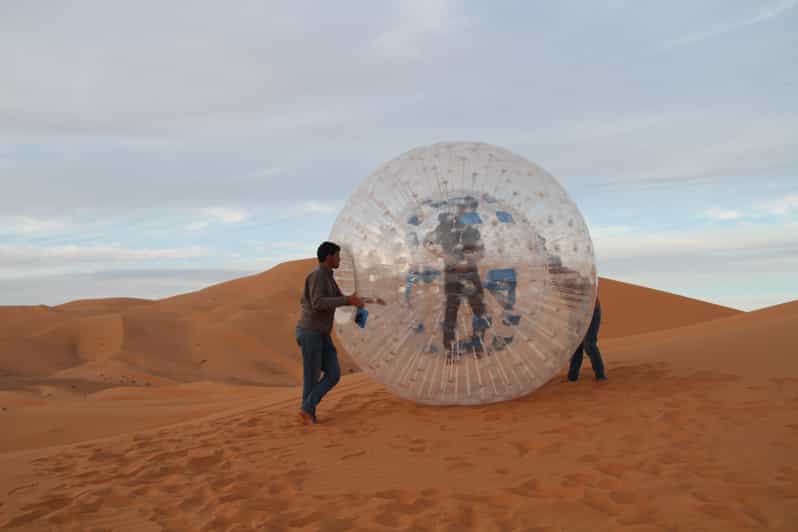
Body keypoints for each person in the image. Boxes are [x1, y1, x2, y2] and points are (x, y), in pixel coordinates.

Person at [295, 241, 364, 425]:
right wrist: (347, 300)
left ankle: (307, 408)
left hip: (322, 333)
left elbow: (342, 299)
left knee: (333, 373)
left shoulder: (329, 277)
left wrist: (361, 300)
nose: (339, 259)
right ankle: (308, 413)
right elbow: (318, 303)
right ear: (329, 257)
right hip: (310, 332)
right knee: (311, 376)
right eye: (337, 256)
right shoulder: (317, 276)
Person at [424, 197, 490, 361]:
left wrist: (470, 260)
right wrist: (445, 257)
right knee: (451, 311)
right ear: (459, 208)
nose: (469, 211)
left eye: (472, 208)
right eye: (466, 208)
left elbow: (482, 251)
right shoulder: (445, 225)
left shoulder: (473, 229)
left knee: (480, 310)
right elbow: (427, 242)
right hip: (452, 272)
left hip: (470, 272)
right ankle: (450, 351)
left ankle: (477, 346)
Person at [567, 295, 607, 381]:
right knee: (576, 345)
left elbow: (592, 292)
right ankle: (572, 377)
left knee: (589, 343)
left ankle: (600, 375)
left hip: (591, 311)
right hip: (576, 313)